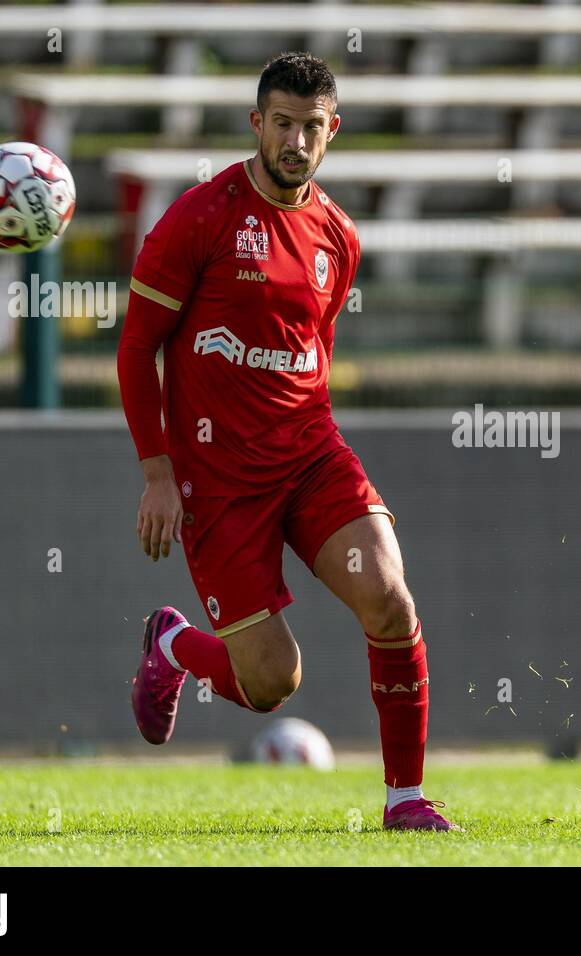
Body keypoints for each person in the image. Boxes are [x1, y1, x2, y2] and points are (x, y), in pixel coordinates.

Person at [117, 52, 459, 832]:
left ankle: (405, 799)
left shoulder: (338, 235)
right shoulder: (198, 219)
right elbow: (137, 350)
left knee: (389, 597)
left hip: (308, 455)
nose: (295, 141)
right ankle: (173, 646)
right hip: (218, 481)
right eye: (281, 124)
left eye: (311, 127)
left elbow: (313, 344)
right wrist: (158, 474)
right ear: (257, 125)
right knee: (273, 682)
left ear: (331, 131)